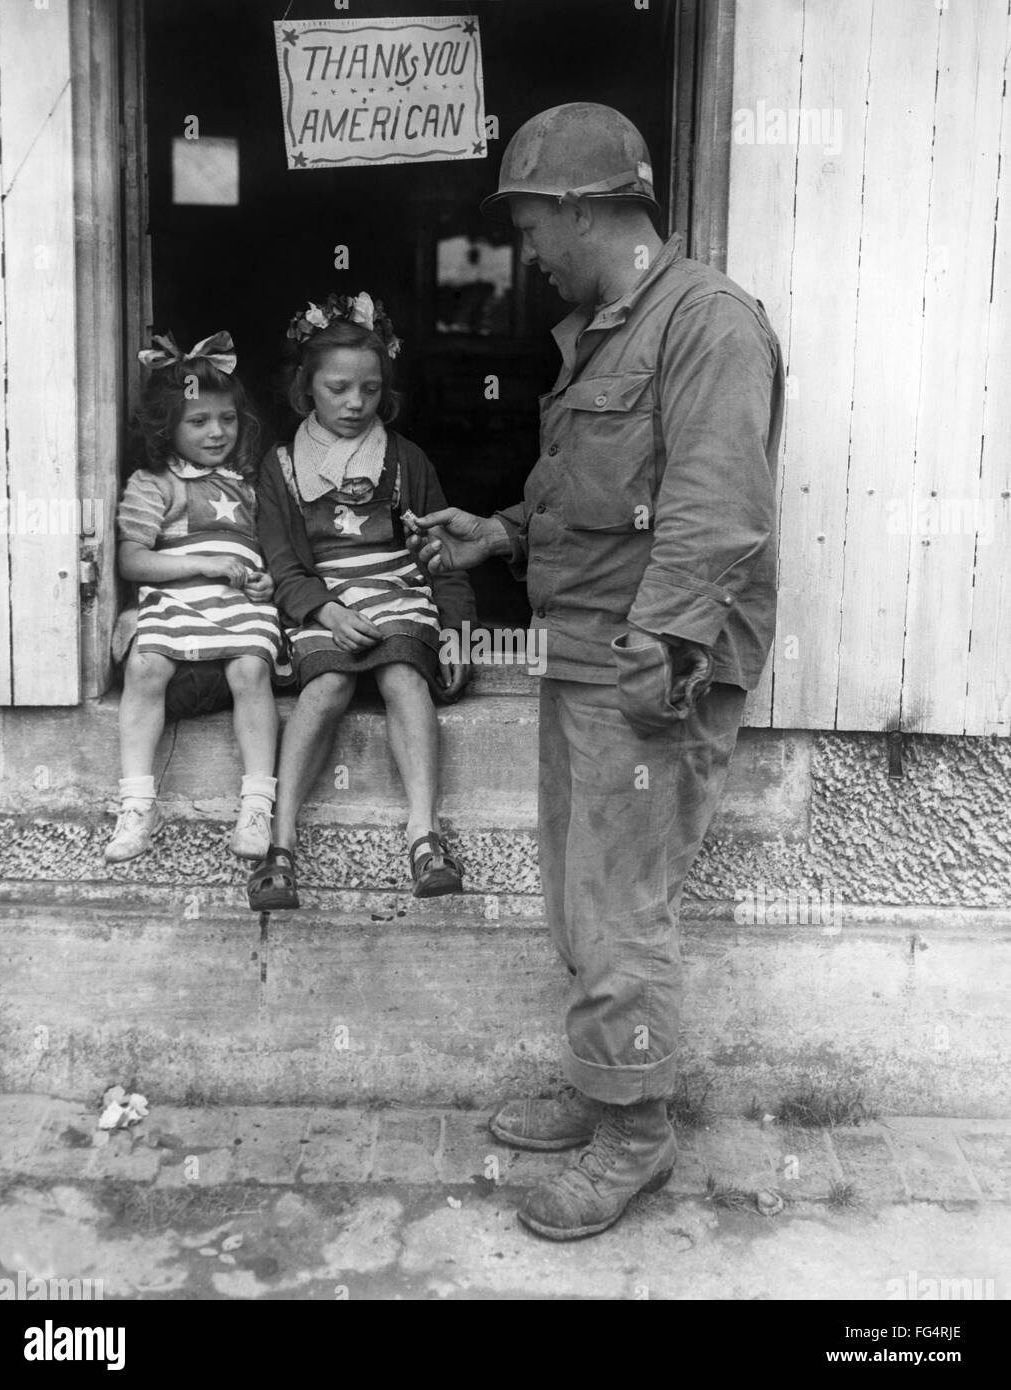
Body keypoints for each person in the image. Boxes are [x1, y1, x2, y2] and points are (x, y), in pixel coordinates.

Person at [406, 104, 785, 1240]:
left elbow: (718, 515)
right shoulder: (603, 331)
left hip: (644, 668)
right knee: (580, 900)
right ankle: (599, 1091)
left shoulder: (706, 323)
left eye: (531, 226)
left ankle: (634, 1136)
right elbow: (600, 490)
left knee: (620, 908)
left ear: (584, 209)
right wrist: (502, 532)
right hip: (584, 651)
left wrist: (659, 654)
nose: (526, 252)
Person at [246, 293, 476, 910]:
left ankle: (424, 837)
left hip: (397, 589)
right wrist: (324, 611)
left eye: (370, 391)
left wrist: (456, 628)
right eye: (339, 388)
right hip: (323, 598)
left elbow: (443, 553)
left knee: (404, 676)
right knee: (325, 689)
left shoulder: (404, 460)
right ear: (306, 387)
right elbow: (283, 562)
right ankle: (282, 845)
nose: (355, 404)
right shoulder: (283, 467)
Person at [105, 332, 281, 864]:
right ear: (167, 427)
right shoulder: (154, 483)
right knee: (146, 665)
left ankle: (257, 804)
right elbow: (132, 560)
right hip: (176, 596)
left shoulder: (251, 482)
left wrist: (267, 580)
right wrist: (202, 564)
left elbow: (274, 551)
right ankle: (137, 802)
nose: (216, 432)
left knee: (250, 670)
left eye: (226, 419)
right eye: (198, 421)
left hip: (238, 604)